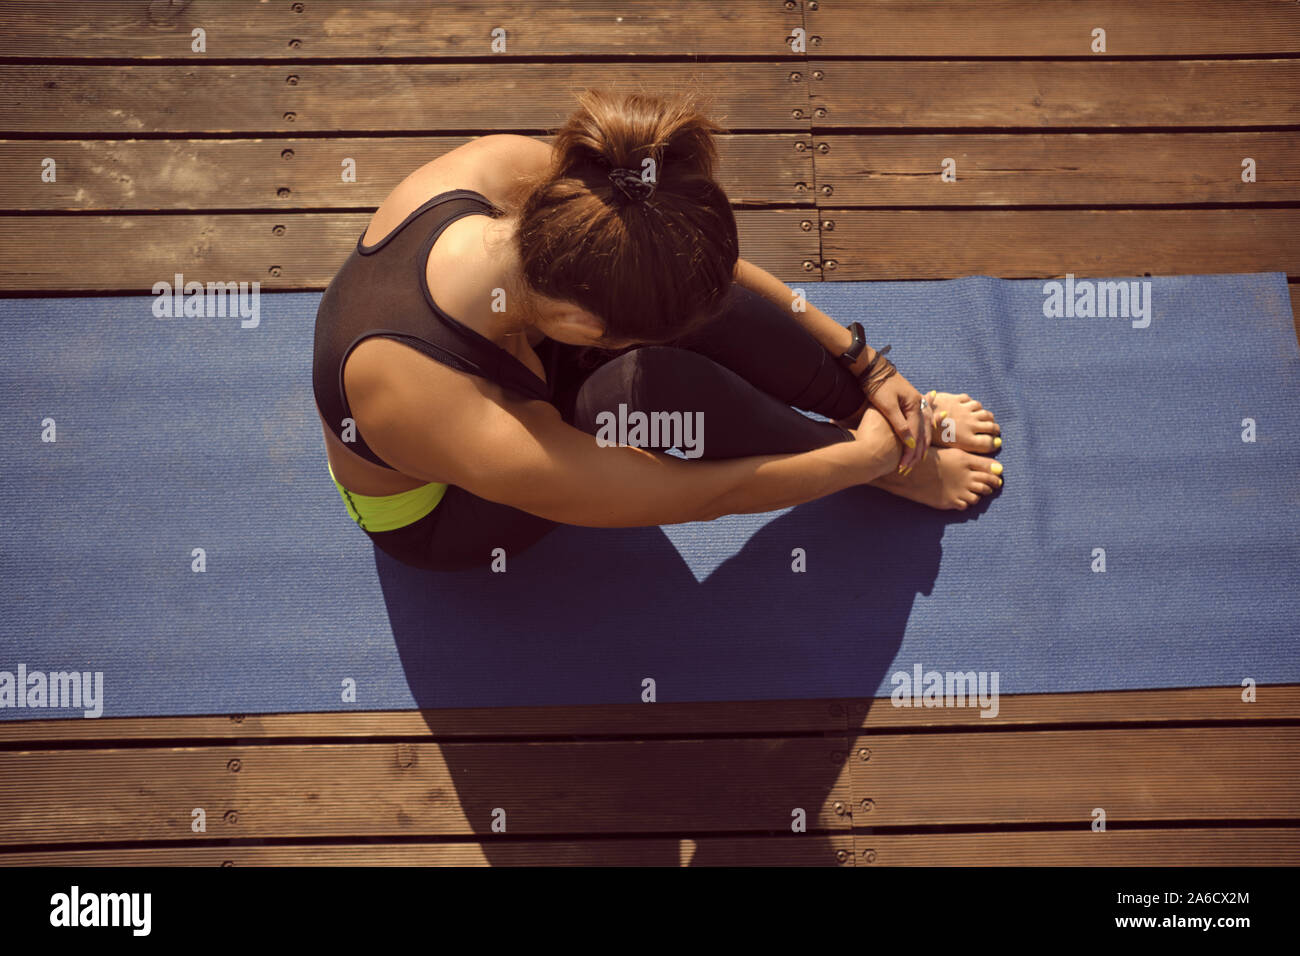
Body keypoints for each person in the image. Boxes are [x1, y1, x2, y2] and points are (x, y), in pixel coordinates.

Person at [312, 89, 1002, 571]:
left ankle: (864, 416)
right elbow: (699, 496)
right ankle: (884, 464)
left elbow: (707, 268)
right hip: (452, 512)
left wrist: (865, 367)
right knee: (638, 398)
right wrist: (864, 462)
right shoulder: (421, 394)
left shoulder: (515, 175)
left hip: (514, 340)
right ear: (584, 325)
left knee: (699, 297)